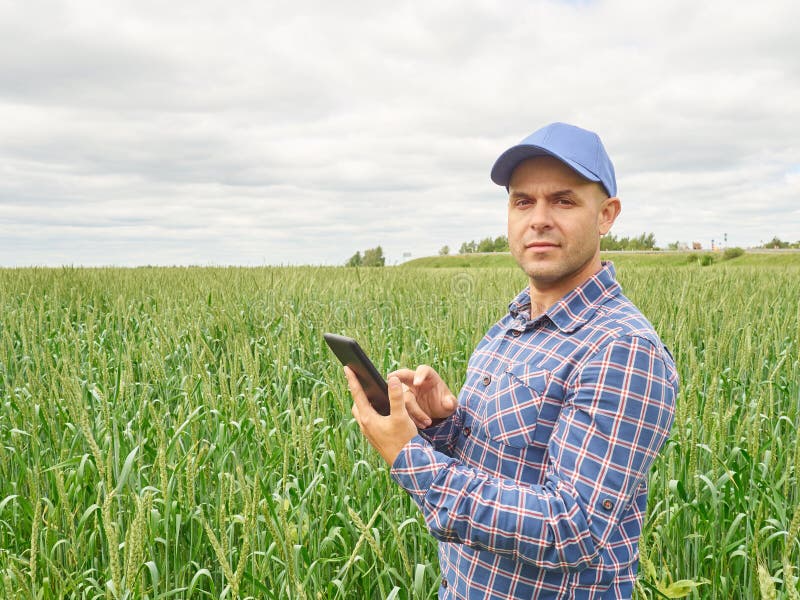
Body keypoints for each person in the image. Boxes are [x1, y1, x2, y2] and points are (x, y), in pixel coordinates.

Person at [345, 122, 678, 599]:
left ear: (606, 215)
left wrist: (408, 457)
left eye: (563, 200)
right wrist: (442, 423)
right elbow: (500, 464)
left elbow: (573, 528)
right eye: (523, 201)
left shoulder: (622, 349)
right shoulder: (510, 325)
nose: (538, 218)